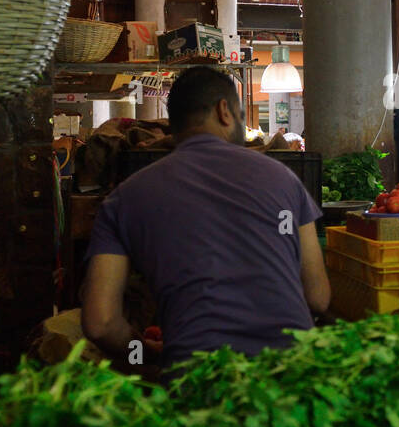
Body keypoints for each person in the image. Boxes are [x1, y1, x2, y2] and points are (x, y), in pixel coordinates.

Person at [82, 66, 331, 370]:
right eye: (241, 115)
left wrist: (144, 354)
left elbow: (100, 323)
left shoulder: (123, 198)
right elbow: (318, 298)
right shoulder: (285, 180)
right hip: (294, 378)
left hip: (195, 384)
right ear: (224, 111)